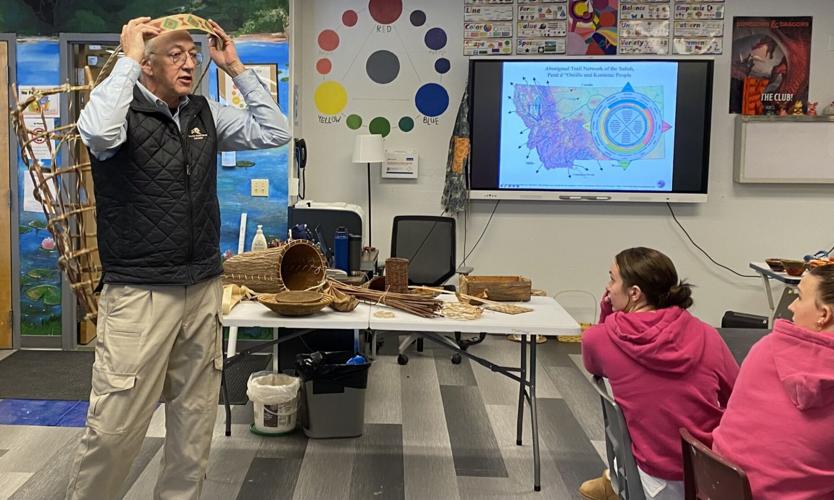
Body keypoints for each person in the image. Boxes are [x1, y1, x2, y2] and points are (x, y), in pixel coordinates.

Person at [66, 17, 290, 500]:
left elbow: (275, 131)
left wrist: (234, 68)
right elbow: (98, 135)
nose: (191, 62)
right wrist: (127, 57)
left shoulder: (203, 115)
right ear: (146, 63)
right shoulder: (117, 110)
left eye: (194, 53)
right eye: (176, 54)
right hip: (139, 293)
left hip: (202, 287)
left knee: (194, 426)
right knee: (115, 427)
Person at [579, 247, 739, 500]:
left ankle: (614, 478)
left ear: (634, 293)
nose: (607, 287)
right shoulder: (707, 334)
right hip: (711, 473)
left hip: (652, 475)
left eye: (612, 279)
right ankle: (612, 479)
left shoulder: (599, 339)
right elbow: (738, 397)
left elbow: (594, 364)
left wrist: (608, 315)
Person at [712, 265, 834, 499]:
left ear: (824, 315)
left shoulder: (765, 348)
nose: (791, 306)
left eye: (798, 298)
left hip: (720, 485)